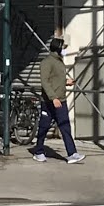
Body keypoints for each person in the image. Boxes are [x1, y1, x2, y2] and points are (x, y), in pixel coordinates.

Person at [31, 35, 83, 163]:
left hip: (61, 100)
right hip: (49, 102)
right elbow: (45, 82)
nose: (64, 50)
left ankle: (72, 153)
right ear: (58, 48)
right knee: (44, 127)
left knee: (65, 127)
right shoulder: (46, 62)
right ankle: (38, 151)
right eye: (63, 47)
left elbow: (56, 79)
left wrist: (66, 82)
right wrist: (53, 98)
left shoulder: (59, 61)